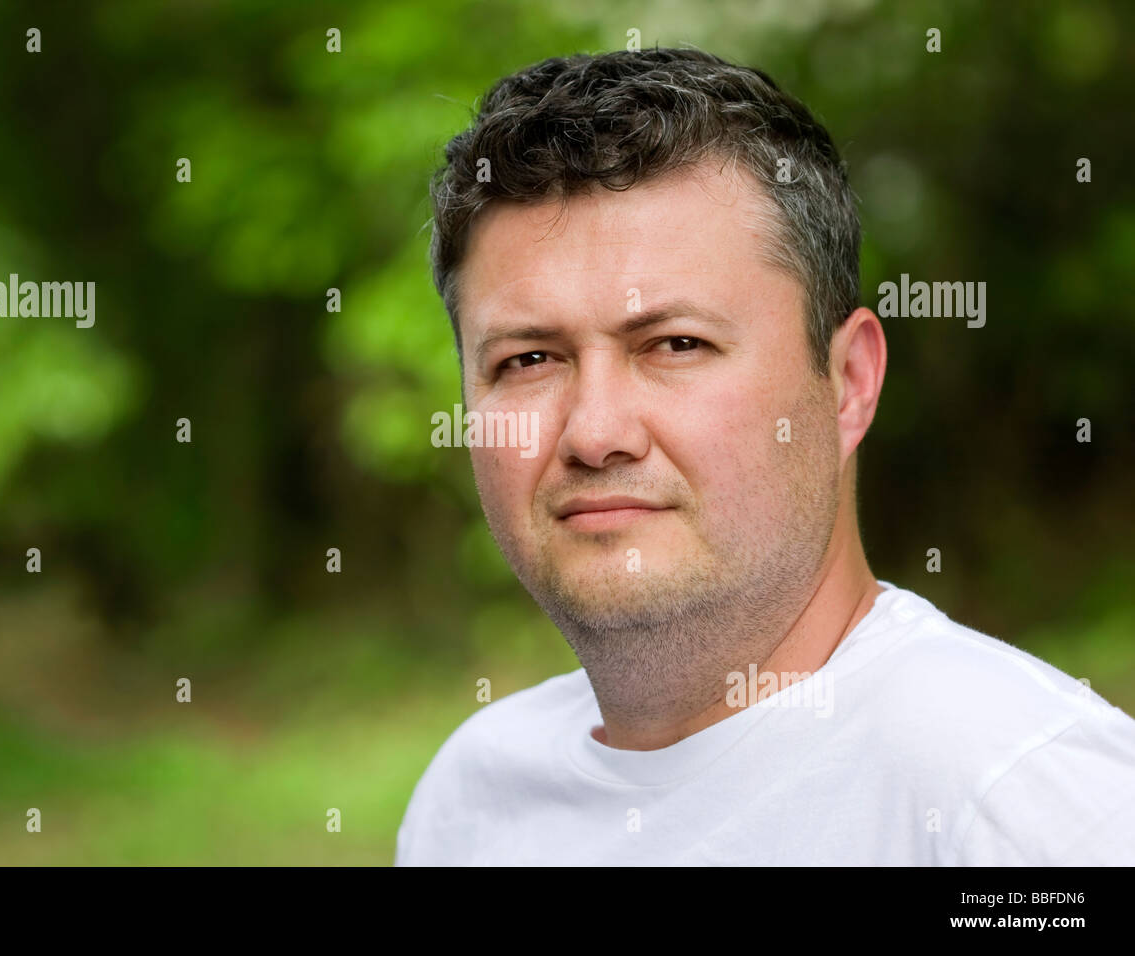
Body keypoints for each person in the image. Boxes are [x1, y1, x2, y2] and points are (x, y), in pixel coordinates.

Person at [395, 47, 1135, 865]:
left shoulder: (1029, 811)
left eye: (676, 343)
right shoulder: (470, 804)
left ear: (848, 382)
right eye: (528, 360)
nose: (594, 432)